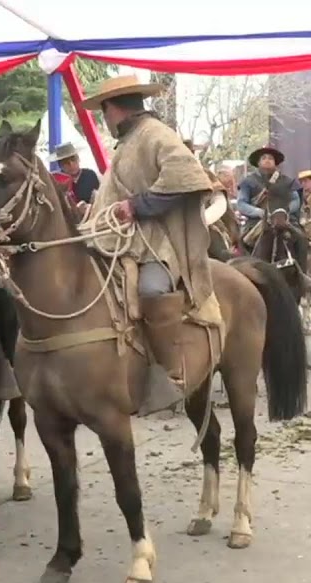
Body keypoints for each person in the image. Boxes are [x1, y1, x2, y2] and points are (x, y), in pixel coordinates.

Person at [83, 75, 219, 415]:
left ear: (112, 108)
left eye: (104, 112)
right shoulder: (129, 141)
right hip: (119, 240)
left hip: (156, 243)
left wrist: (137, 206)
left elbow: (186, 174)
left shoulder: (156, 134)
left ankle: (169, 374)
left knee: (152, 290)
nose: (105, 119)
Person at [237, 146, 310, 285]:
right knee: (242, 241)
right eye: (264, 158)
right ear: (258, 162)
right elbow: (241, 204)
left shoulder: (287, 181)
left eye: (270, 158)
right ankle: (244, 278)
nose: (267, 160)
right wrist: (259, 212)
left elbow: (296, 200)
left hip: (284, 218)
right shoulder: (248, 182)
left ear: (276, 162)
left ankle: (302, 277)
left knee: (301, 239)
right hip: (258, 221)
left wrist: (284, 211)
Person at [51, 141, 100, 207]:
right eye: (66, 162)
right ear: (60, 165)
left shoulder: (90, 175)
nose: (71, 164)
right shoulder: (56, 180)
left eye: (73, 159)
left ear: (78, 159)